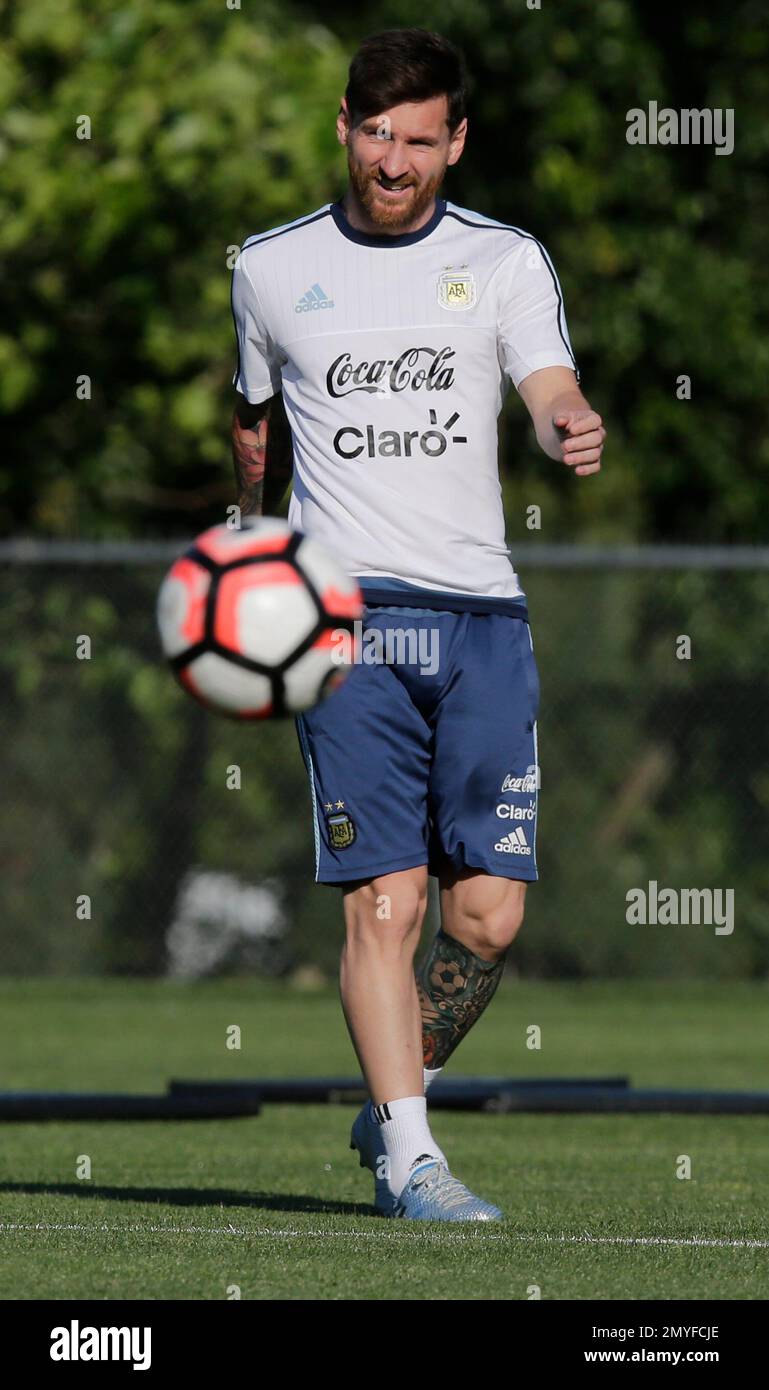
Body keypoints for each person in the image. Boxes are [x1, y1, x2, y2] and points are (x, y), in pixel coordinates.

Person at [230, 27, 605, 1220]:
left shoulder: (502, 261)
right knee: (383, 901)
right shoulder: (270, 268)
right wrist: (246, 526)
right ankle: (411, 1156)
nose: (393, 161)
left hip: (482, 615)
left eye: (419, 141)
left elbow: (546, 384)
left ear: (455, 144)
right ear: (344, 124)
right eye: (375, 134)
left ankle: (394, 1095)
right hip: (346, 618)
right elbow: (252, 420)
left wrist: (567, 424)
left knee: (485, 915)